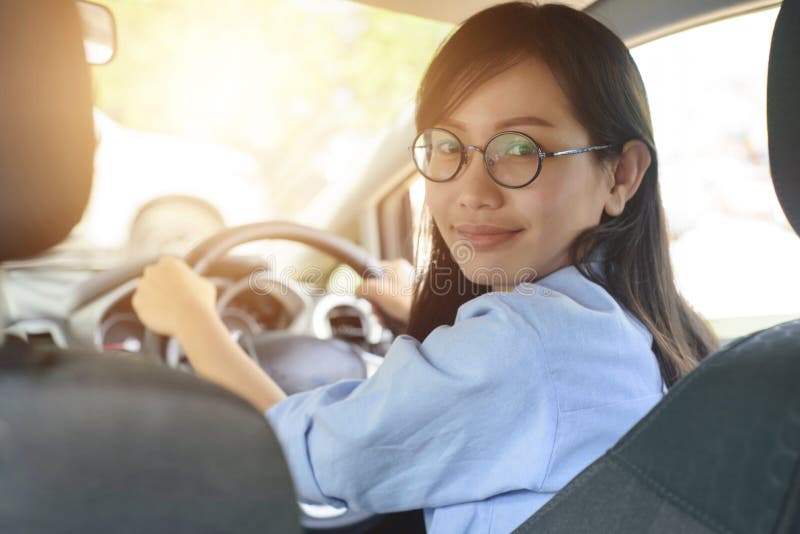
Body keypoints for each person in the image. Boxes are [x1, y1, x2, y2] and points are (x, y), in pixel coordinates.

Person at [131, 3, 719, 532]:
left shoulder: (521, 342)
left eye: (521, 150)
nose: (472, 192)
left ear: (620, 176)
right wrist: (419, 306)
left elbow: (307, 460)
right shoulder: (631, 321)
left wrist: (193, 322)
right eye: (447, 146)